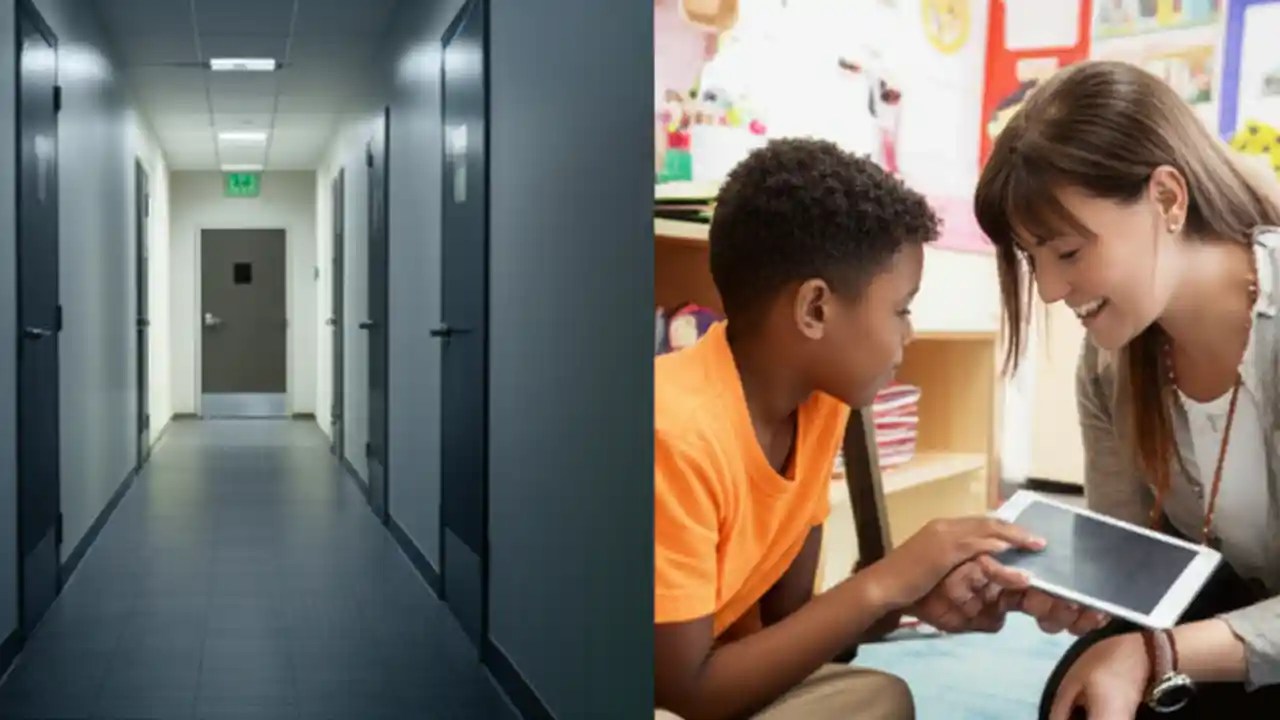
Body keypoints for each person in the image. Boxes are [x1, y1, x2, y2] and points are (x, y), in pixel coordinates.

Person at [653, 137, 1046, 720]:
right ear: (815, 309)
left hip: (707, 683)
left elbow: (792, 627)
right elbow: (687, 691)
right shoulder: (675, 429)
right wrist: (884, 582)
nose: (908, 334)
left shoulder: (820, 406)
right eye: (901, 309)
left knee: (881, 696)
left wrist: (914, 595)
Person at [973, 59, 1280, 719]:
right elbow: (1132, 566)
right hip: (1239, 619)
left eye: (1069, 253)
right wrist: (1066, 589)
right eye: (1034, 259)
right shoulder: (1111, 363)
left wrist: (1161, 652)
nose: (1052, 291)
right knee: (1084, 691)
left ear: (1168, 199)